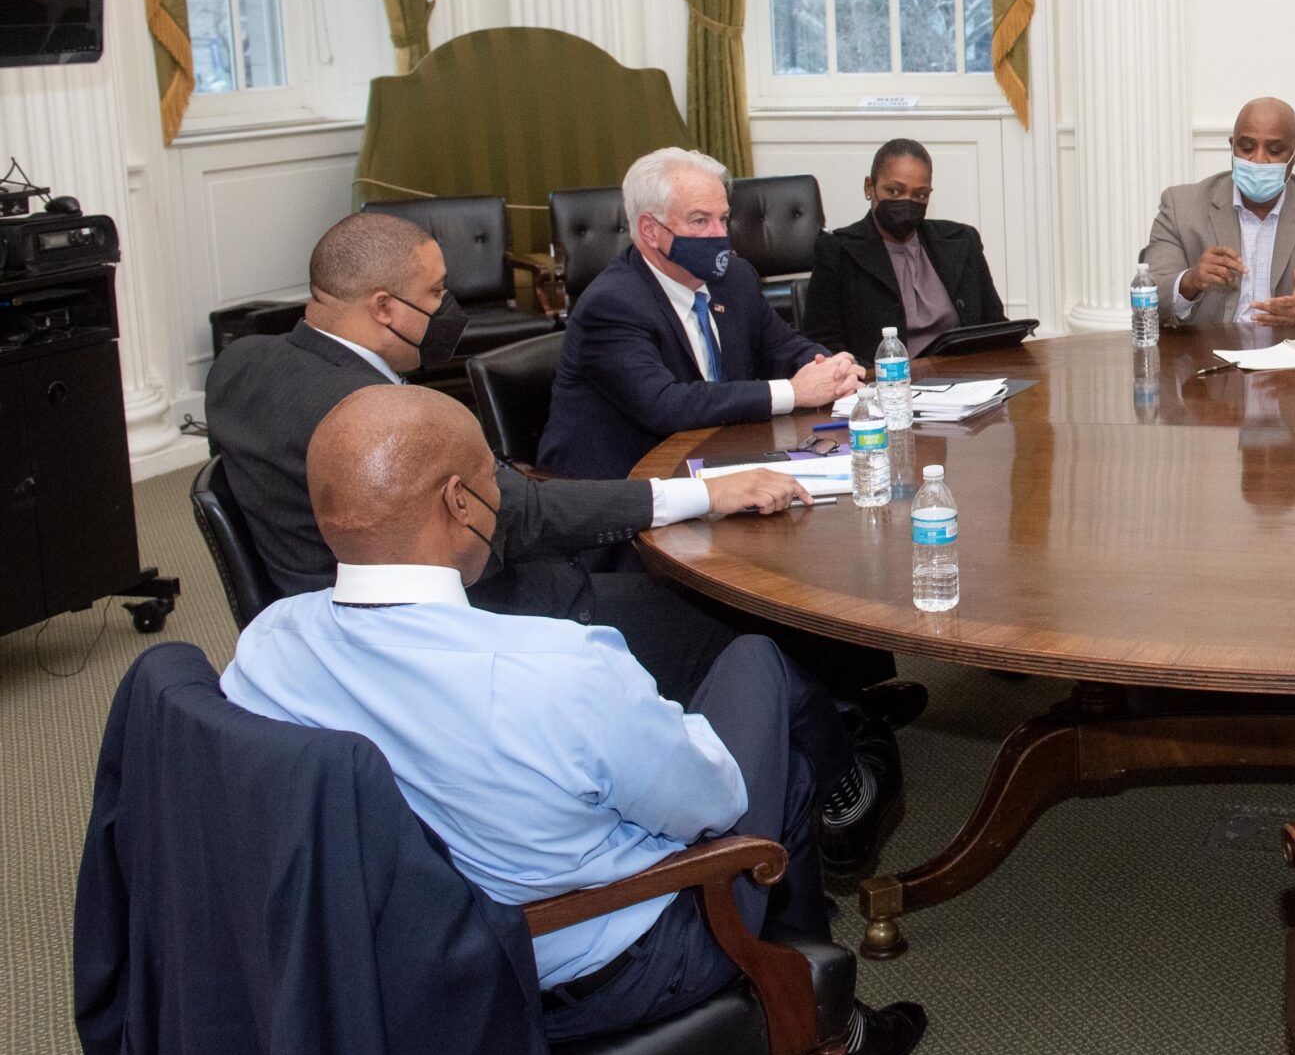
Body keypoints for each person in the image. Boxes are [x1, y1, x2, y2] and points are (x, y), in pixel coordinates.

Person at [219, 386, 929, 1055]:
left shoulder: (265, 648)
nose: (503, 494)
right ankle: (825, 986)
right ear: (460, 501)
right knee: (759, 675)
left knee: (753, 739)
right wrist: (668, 727)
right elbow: (714, 804)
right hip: (609, 969)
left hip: (411, 972)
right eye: (496, 478)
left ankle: (833, 983)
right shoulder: (555, 669)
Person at [207, 212, 810, 678]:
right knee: (737, 628)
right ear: (384, 308)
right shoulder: (377, 418)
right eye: (435, 293)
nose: (448, 308)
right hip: (457, 628)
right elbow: (521, 512)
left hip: (317, 626)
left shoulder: (238, 367)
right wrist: (706, 493)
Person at [540, 148, 864, 482]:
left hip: (718, 463)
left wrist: (830, 369)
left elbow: (782, 346)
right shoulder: (612, 303)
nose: (718, 234)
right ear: (650, 230)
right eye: (699, 221)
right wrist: (793, 391)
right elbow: (664, 405)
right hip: (622, 485)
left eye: (723, 219)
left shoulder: (735, 278)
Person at [1142, 96, 1295, 329]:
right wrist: (1190, 281)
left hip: (1292, 351)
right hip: (1209, 350)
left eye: (1274, 150)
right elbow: (1149, 295)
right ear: (1232, 146)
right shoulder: (1180, 206)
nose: (1258, 160)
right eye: (1246, 148)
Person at [804, 139, 1006, 366]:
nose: (906, 202)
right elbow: (823, 346)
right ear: (870, 187)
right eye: (894, 191)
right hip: (883, 382)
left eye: (920, 195)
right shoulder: (836, 251)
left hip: (967, 377)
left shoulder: (962, 240)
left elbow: (995, 326)